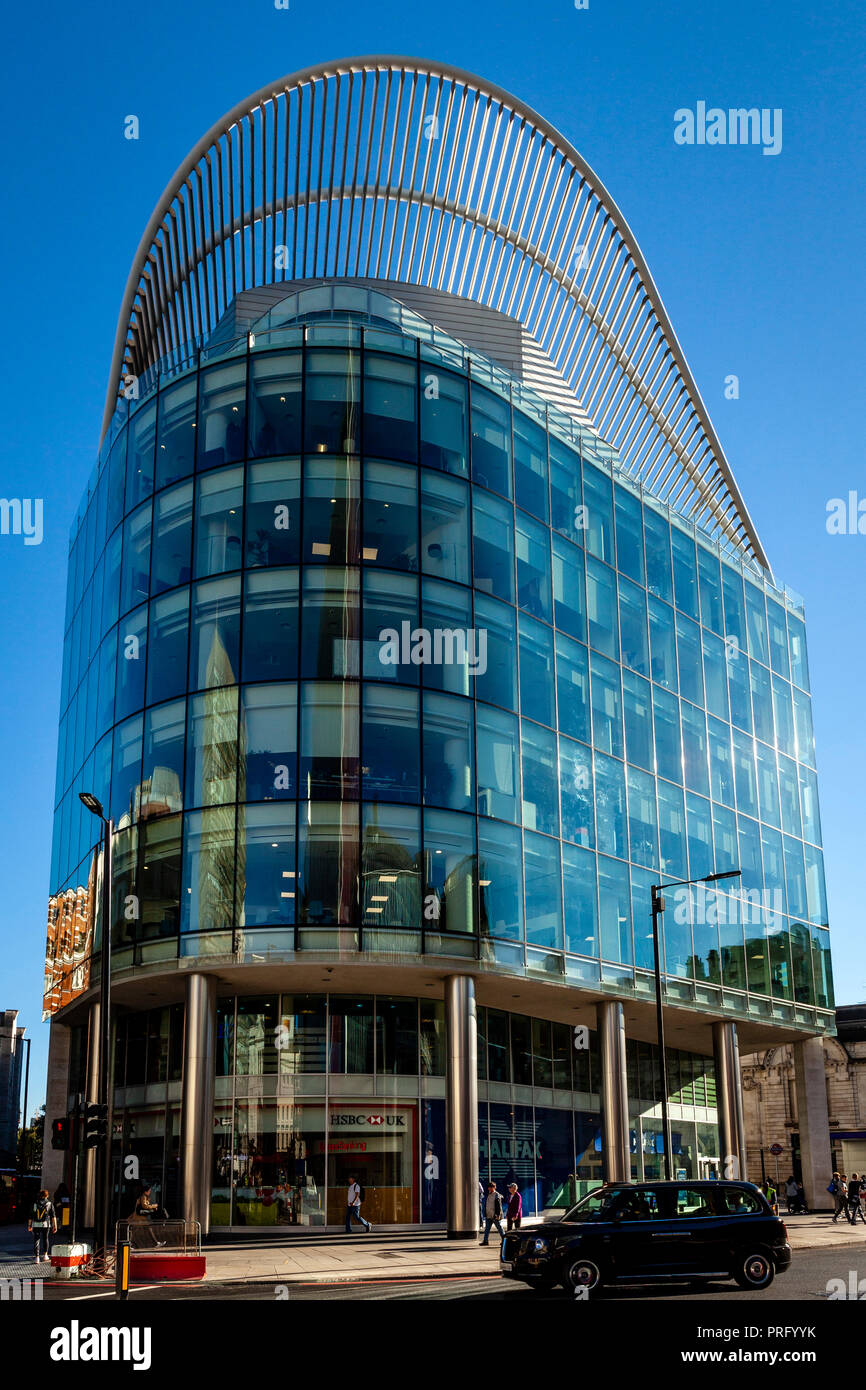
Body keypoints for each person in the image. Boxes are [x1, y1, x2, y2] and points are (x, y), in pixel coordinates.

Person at [28, 1189, 57, 1263]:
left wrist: (29, 1225)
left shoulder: (35, 1203)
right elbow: (53, 1216)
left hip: (36, 1224)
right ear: (47, 1196)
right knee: (45, 1239)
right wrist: (55, 1226)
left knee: (36, 1240)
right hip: (46, 1225)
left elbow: (31, 1215)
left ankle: (37, 1258)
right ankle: (45, 1256)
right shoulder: (49, 1203)